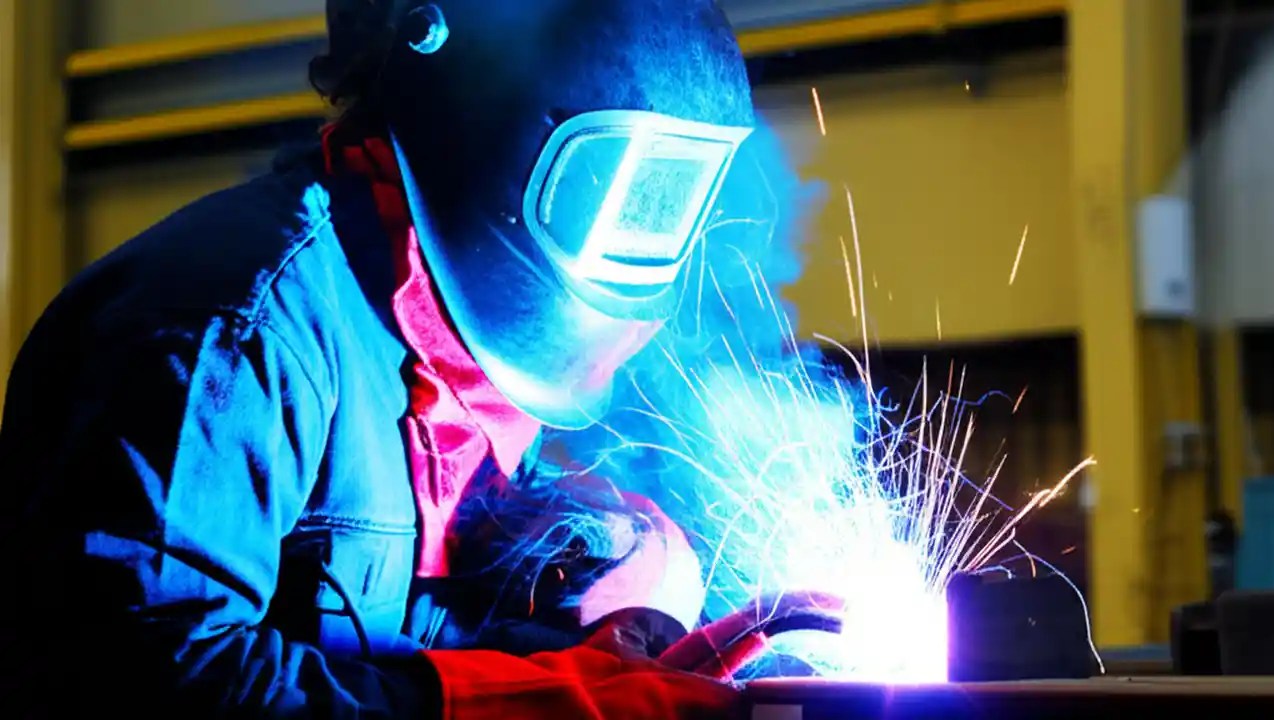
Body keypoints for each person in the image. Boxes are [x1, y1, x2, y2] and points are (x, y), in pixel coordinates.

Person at [0, 0, 762, 717]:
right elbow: (135, 673)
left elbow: (405, 602)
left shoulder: (446, 326)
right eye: (625, 189)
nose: (638, 232)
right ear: (484, 116)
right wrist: (503, 705)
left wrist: (603, 595)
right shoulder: (235, 332)